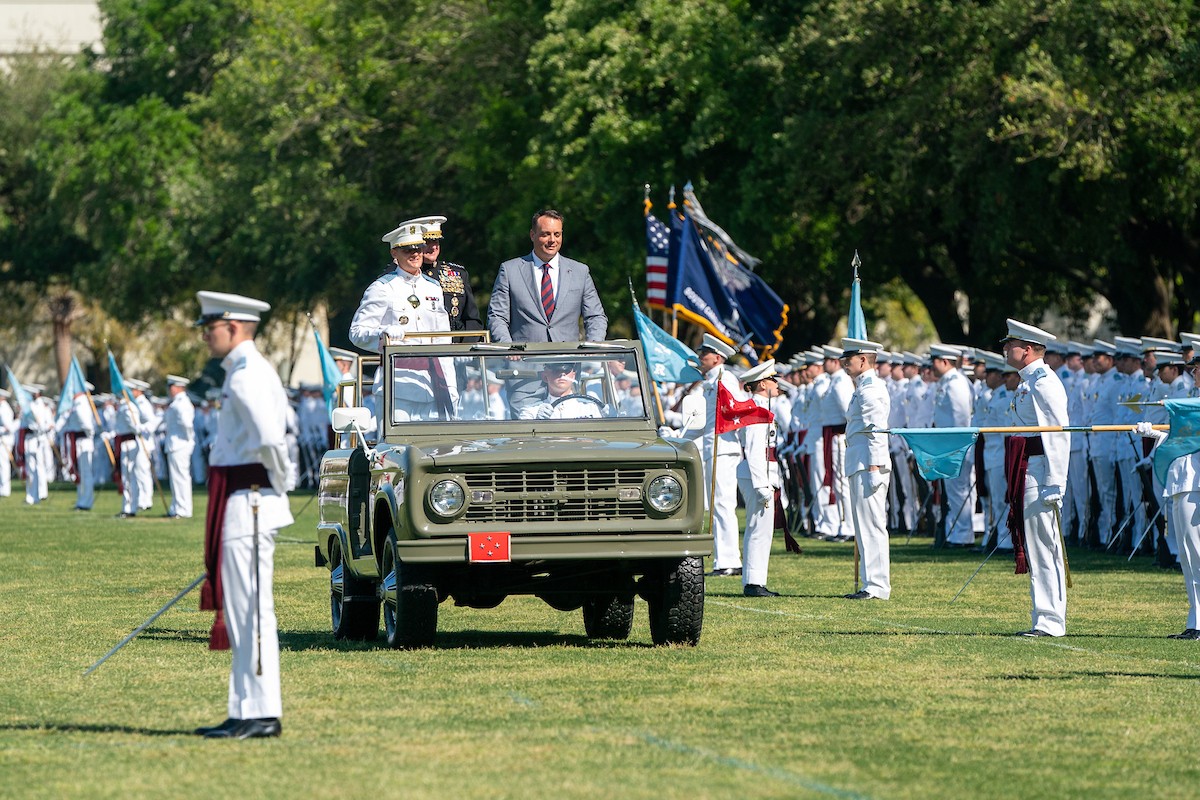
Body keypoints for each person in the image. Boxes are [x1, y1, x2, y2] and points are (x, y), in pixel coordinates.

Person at [193, 290, 294, 740]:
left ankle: (259, 712)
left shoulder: (246, 375)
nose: (206, 337)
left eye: (210, 328)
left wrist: (279, 479)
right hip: (245, 497)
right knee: (242, 612)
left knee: (250, 611)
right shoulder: (245, 371)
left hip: (250, 499)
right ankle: (245, 709)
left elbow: (272, 437)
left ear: (233, 328)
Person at [349, 221, 458, 427]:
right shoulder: (382, 287)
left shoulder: (433, 288)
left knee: (434, 450)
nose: (415, 254)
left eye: (418, 248)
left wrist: (450, 384)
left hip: (432, 384)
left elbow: (443, 339)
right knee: (395, 452)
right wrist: (383, 334)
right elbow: (356, 332)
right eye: (408, 249)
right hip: (397, 386)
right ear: (394, 253)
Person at [1001, 318, 1070, 637]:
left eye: (1009, 344)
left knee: (1045, 546)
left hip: (1041, 470)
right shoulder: (1028, 381)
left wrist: (1056, 482)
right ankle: (1041, 616)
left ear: (1027, 350)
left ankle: (1051, 620)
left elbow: (1058, 434)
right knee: (1035, 544)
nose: (1004, 349)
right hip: (1027, 468)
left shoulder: (1043, 382)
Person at [487, 209, 607, 344]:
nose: (552, 240)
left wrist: (593, 347)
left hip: (569, 360)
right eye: (545, 234)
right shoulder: (509, 271)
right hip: (523, 361)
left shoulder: (580, 271)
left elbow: (595, 317)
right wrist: (509, 348)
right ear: (532, 235)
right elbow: (497, 317)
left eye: (557, 234)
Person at [684, 334, 745, 576]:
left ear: (717, 358)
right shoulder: (710, 381)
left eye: (703, 355)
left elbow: (737, 409)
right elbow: (704, 423)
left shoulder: (725, 378)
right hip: (712, 447)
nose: (700, 358)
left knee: (723, 504)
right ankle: (724, 558)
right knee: (717, 505)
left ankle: (729, 561)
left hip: (724, 447)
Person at [840, 338, 892, 599]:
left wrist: (874, 467)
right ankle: (869, 583)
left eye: (848, 360)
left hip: (869, 463)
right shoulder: (861, 387)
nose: (844, 364)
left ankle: (878, 586)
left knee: (872, 525)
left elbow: (876, 431)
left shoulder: (870, 389)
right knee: (863, 526)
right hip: (859, 462)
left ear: (863, 360)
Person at [735, 359, 782, 597]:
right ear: (763, 383)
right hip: (757, 475)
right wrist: (762, 484)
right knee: (759, 529)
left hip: (761, 473)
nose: (777, 384)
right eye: (774, 380)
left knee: (761, 529)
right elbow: (754, 450)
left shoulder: (761, 407)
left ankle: (755, 580)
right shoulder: (756, 410)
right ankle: (754, 582)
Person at [930, 343, 974, 546]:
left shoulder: (956, 383)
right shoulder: (947, 381)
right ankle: (955, 531)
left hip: (955, 444)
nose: (932, 366)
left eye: (934, 361)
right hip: (947, 445)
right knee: (953, 492)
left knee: (958, 490)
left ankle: (962, 535)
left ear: (944, 361)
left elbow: (961, 417)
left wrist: (958, 446)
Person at [413, 215, 484, 334]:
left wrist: (465, 349)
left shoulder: (458, 273)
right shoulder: (402, 274)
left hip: (455, 346)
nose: (434, 247)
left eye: (436, 241)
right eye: (427, 242)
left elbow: (472, 321)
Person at [517, 362, 605, 420]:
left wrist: (611, 417)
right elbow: (526, 443)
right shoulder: (531, 412)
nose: (562, 374)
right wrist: (536, 423)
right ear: (545, 376)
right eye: (556, 370)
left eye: (567, 370)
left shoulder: (592, 408)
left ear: (573, 376)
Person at [61, 381, 97, 511]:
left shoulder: (81, 403)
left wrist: (89, 434)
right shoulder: (76, 403)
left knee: (85, 473)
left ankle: (86, 502)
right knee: (80, 472)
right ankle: (81, 499)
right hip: (78, 440)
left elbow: (86, 424)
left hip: (83, 441)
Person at [164, 375, 196, 519]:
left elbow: (187, 424)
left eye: (171, 387)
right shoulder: (176, 402)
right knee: (176, 478)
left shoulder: (181, 403)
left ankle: (183, 509)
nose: (170, 390)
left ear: (178, 387)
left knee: (181, 478)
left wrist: (189, 440)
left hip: (180, 444)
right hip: (175, 444)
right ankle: (177, 506)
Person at [22, 384, 54, 505]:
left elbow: (49, 425)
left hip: (39, 439)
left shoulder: (43, 407)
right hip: (29, 439)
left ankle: (41, 493)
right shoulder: (29, 407)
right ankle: (31, 495)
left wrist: (41, 428)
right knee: (30, 469)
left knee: (39, 468)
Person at [0, 388, 14, 498]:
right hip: (3, 439)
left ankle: (5, 489)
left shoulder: (4, 409)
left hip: (4, 440)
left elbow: (8, 427)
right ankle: (2, 488)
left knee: (4, 465)